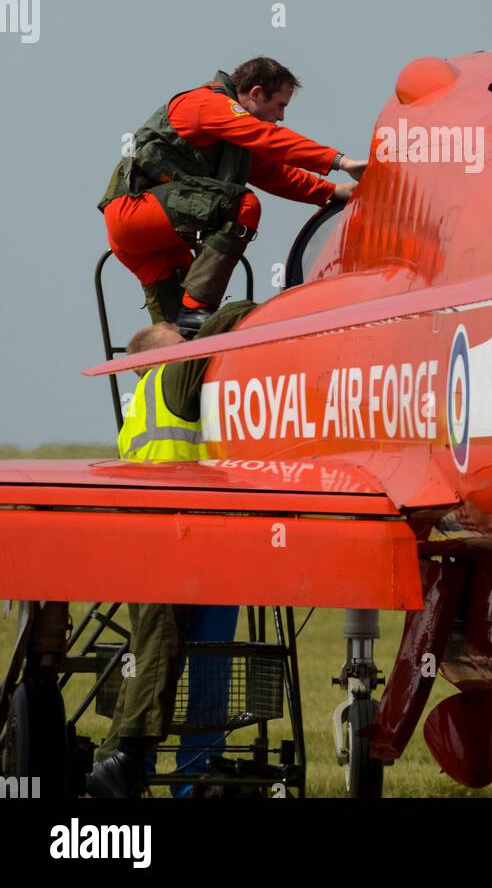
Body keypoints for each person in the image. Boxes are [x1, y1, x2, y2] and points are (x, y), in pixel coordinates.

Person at [87, 299, 254, 799]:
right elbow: (218, 334)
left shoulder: (142, 400)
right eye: (180, 342)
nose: (190, 348)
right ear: (159, 358)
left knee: (177, 654)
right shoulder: (169, 379)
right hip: (172, 542)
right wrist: (277, 301)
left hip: (183, 540)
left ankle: (171, 771)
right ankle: (128, 763)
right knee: (165, 655)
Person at [99, 56, 365, 338]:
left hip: (147, 237)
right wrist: (342, 162)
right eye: (280, 105)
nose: (281, 117)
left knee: (176, 338)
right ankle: (198, 310)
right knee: (242, 205)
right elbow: (269, 138)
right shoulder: (208, 105)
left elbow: (273, 173)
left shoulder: (232, 135)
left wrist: (332, 191)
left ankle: (176, 349)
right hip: (137, 210)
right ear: (256, 93)